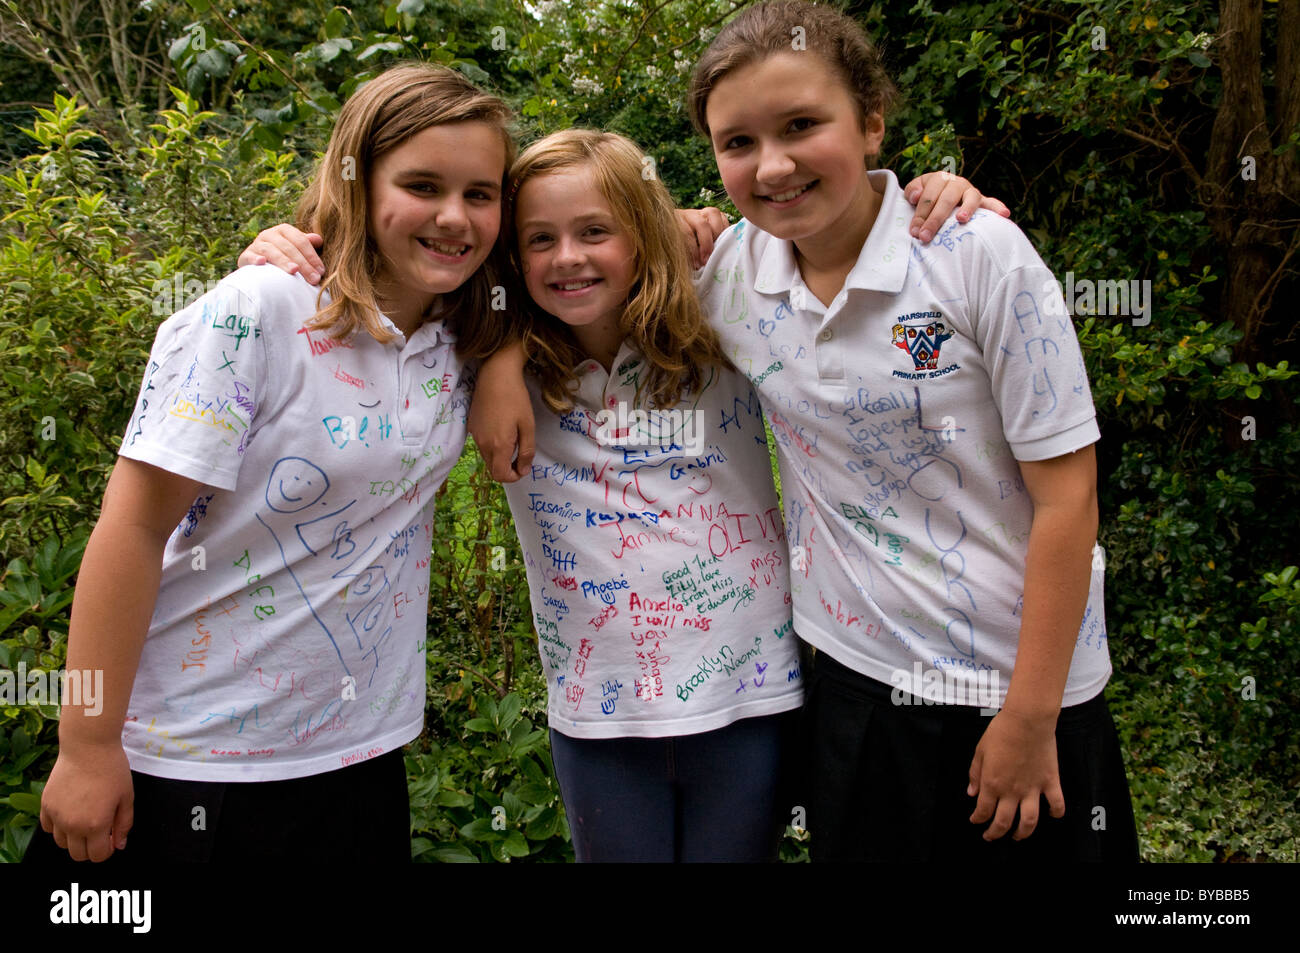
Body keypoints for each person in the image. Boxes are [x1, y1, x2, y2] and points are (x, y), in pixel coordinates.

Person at [477, 0, 1140, 862]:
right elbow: (581, 273)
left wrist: (1030, 712)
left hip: (1022, 688)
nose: (774, 164)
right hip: (854, 684)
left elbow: (1071, 497)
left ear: (871, 124)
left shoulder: (978, 255)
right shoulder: (729, 278)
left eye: (802, 125)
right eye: (738, 142)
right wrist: (494, 355)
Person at [30, 62, 517, 864]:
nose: (454, 217)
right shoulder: (257, 310)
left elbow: (589, 255)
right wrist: (86, 744)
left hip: (360, 758)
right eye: (422, 185)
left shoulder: (460, 333)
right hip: (187, 761)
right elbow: (134, 523)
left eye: (480, 193)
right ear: (355, 185)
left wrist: (504, 357)